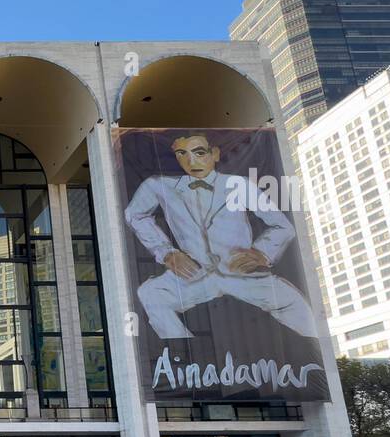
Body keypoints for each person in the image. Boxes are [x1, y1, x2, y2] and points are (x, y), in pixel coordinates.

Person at [125, 133, 318, 340]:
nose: (191, 161)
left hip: (241, 272)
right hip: (194, 273)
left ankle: (317, 349)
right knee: (150, 293)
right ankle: (190, 355)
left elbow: (282, 226)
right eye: (182, 153)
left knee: (296, 306)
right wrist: (166, 253)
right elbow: (134, 215)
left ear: (214, 153)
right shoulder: (159, 186)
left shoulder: (238, 184)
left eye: (199, 152)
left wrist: (262, 253)